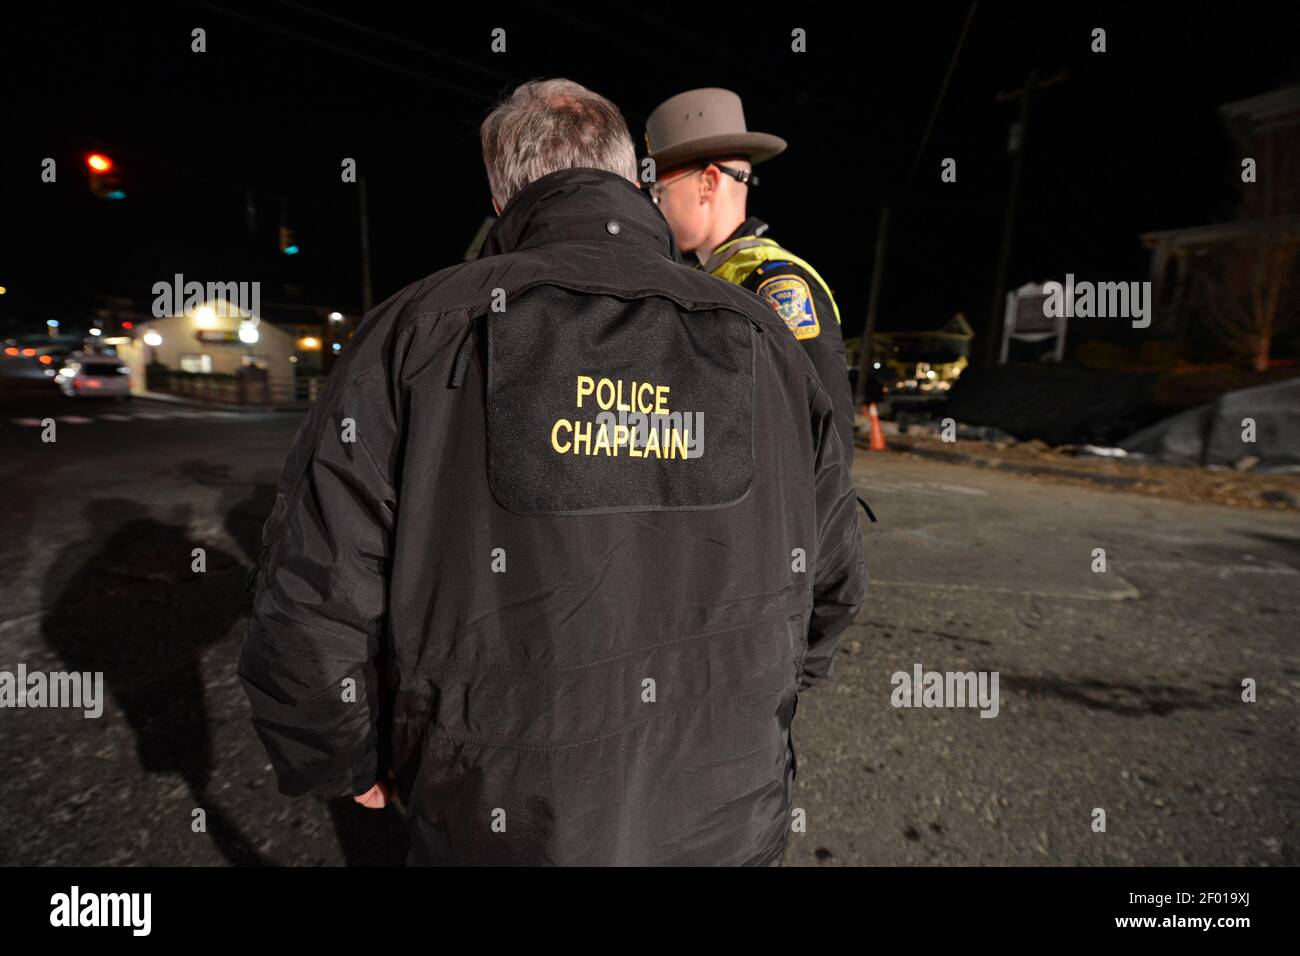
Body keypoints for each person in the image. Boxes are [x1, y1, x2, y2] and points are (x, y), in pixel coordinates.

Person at [239, 78, 867, 866]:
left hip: (506, 819)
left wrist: (338, 756)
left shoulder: (418, 329)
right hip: (727, 808)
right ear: (629, 177)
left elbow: (313, 591)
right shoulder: (766, 341)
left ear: (501, 197)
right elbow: (834, 571)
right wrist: (769, 695)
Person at [645, 87, 857, 461]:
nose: (656, 205)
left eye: (660, 191)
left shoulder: (777, 285)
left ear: (708, 183)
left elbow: (827, 436)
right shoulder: (708, 274)